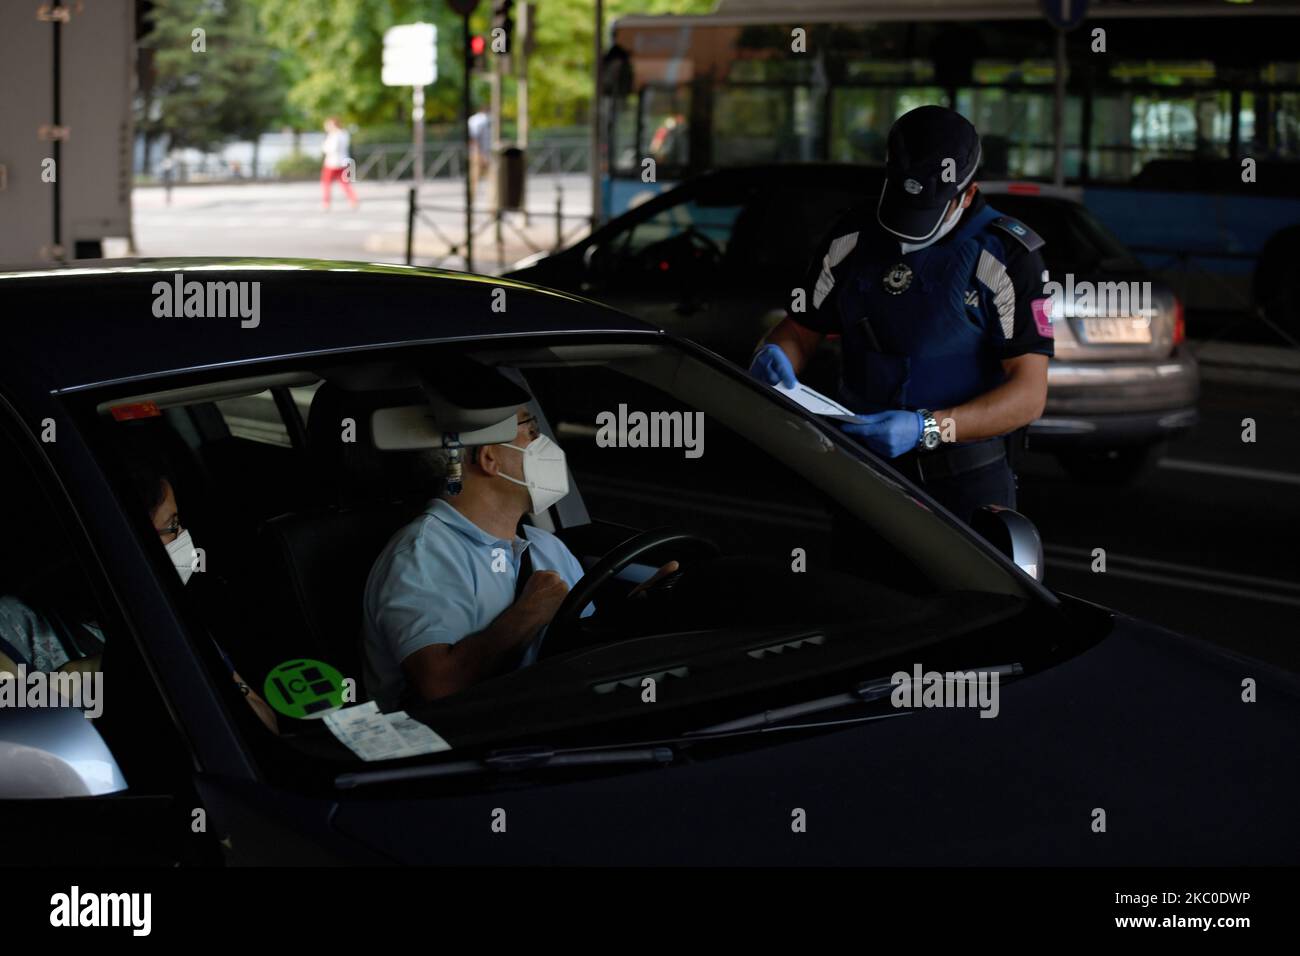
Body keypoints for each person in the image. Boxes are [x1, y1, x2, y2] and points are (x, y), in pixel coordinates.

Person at [750, 105, 1054, 525]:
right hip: (863, 470)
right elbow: (801, 330)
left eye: (929, 208)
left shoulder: (1008, 255)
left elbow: (1029, 394)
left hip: (964, 480)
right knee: (861, 589)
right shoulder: (851, 235)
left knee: (968, 592)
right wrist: (773, 356)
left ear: (967, 194)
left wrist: (927, 428)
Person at [362, 408, 677, 710]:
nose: (545, 445)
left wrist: (633, 614)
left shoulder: (545, 546)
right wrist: (529, 612)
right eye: (532, 430)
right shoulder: (422, 555)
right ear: (489, 458)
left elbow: (578, 649)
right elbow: (441, 687)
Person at [0, 455, 278, 734]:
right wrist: (119, 661)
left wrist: (209, 671)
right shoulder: (14, 621)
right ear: (118, 538)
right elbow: (15, 737)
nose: (182, 538)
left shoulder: (165, 614)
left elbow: (265, 727)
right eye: (171, 527)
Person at [320, 117, 359, 211]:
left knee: (326, 184)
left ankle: (326, 203)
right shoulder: (344, 134)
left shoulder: (334, 135)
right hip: (344, 161)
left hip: (332, 163)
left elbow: (329, 149)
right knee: (345, 183)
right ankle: (353, 200)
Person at [467, 106, 491, 204]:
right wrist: (481, 155)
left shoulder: (477, 120)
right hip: (479, 154)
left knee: (490, 182)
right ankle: (471, 206)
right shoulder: (481, 120)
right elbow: (474, 139)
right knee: (474, 182)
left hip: (482, 154)